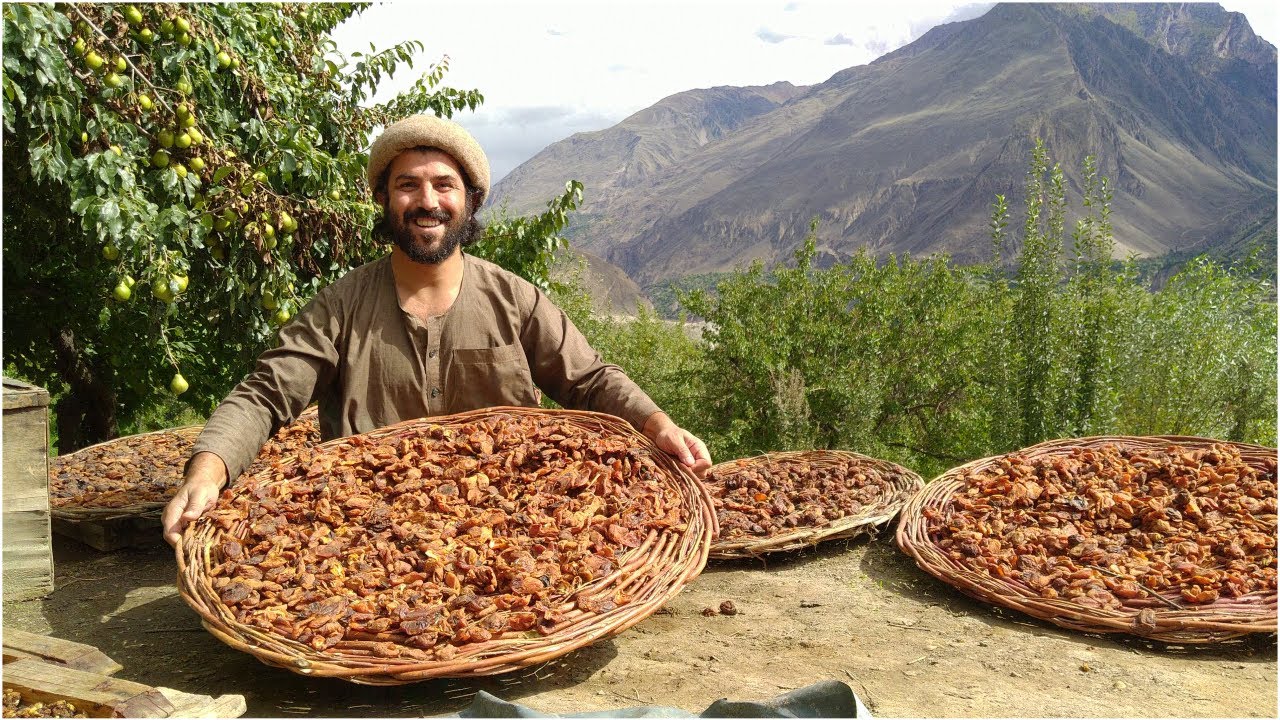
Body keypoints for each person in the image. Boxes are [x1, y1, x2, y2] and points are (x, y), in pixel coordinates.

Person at [161, 115, 711, 546]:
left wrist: (657, 424)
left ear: (470, 200)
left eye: (444, 185)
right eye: (408, 186)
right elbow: (265, 395)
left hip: (512, 526)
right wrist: (209, 472)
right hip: (368, 528)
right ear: (383, 199)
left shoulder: (514, 300)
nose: (427, 201)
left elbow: (588, 381)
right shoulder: (340, 307)